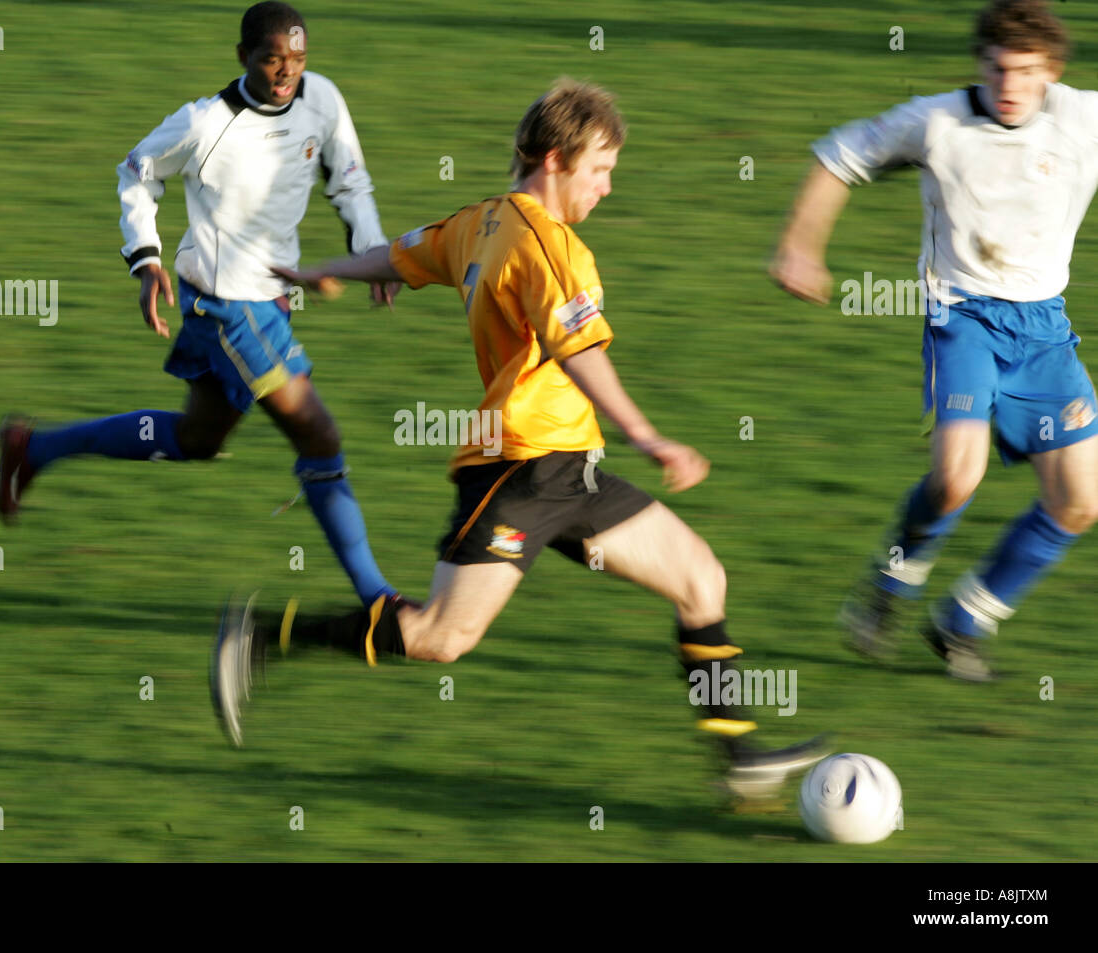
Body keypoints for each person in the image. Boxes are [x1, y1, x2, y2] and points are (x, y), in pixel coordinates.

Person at [216, 79, 830, 800]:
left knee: (701, 578)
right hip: (519, 471)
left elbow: (404, 254)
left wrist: (328, 268)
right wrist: (649, 436)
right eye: (599, 169)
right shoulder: (547, 245)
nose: (607, 187)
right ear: (554, 160)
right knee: (442, 638)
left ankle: (742, 759)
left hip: (571, 471)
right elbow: (579, 351)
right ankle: (262, 637)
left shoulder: (482, 221)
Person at [0, 2, 401, 608]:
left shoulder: (323, 100)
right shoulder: (205, 124)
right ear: (242, 58)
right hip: (228, 310)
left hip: (268, 305)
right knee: (319, 436)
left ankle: (34, 448)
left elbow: (351, 181)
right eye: (271, 59)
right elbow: (136, 170)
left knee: (198, 439)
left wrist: (369, 251)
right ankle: (380, 602)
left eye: (297, 58)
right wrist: (146, 257)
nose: (286, 72)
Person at [771, 0, 1098, 680]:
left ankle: (964, 622)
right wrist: (800, 246)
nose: (1009, 85)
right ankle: (888, 585)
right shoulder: (937, 121)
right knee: (955, 478)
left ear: (1053, 73)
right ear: (980, 63)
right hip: (965, 319)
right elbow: (838, 157)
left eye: (1026, 72)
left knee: (1079, 502)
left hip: (1043, 331)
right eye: (997, 68)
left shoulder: (1083, 121)